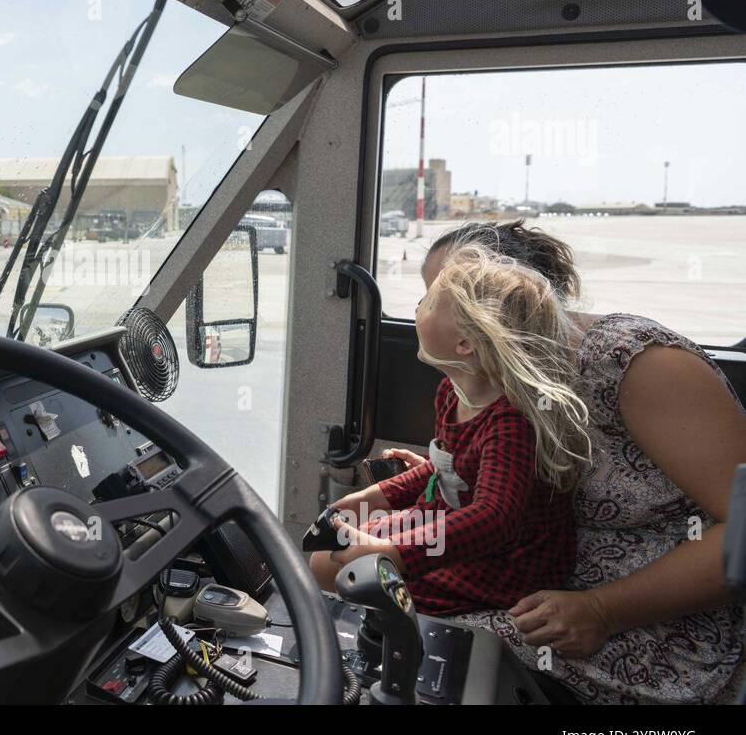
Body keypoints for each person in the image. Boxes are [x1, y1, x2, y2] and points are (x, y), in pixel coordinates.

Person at [403, 220, 746, 703]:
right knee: (377, 619)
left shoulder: (636, 362)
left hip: (643, 629)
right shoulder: (496, 378)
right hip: (525, 584)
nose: (423, 313)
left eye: (441, 297)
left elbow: (743, 529)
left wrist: (602, 611)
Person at [309, 243, 591, 615]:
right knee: (327, 556)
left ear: (465, 344)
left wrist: (393, 553)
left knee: (336, 564)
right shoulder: (451, 393)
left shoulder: (511, 422)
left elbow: (493, 520)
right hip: (450, 527)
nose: (417, 308)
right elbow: (447, 466)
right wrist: (375, 497)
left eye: (427, 303)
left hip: (498, 565)